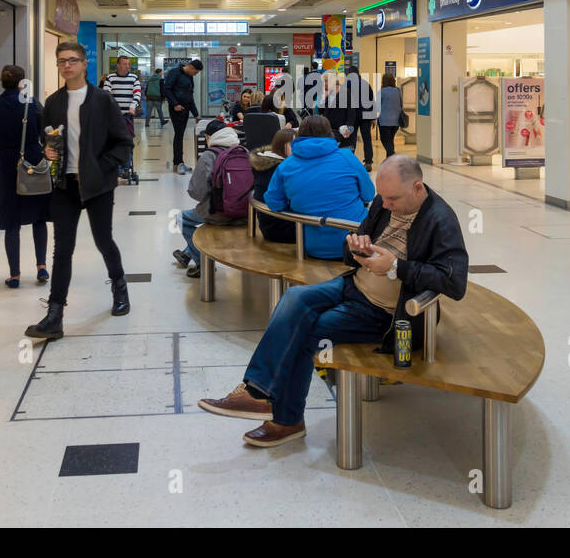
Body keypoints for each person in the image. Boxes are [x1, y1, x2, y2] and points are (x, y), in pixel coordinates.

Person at [197, 156, 468, 447]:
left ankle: (284, 418)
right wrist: (355, 248)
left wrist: (395, 268)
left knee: (310, 329)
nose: (386, 205)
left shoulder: (440, 219)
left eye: (393, 199)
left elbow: (454, 282)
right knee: (295, 298)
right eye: (383, 198)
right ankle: (258, 393)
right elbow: (352, 248)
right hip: (355, 285)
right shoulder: (381, 204)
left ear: (417, 188)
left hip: (388, 315)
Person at [25, 42, 135, 341]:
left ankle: (119, 286)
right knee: (62, 250)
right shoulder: (53, 102)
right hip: (64, 185)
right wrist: (48, 151)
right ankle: (55, 314)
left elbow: (123, 142)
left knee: (103, 240)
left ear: (85, 64)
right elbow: (47, 137)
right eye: (62, 61)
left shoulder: (102, 100)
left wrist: (104, 167)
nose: (67, 66)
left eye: (73, 60)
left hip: (98, 185)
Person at [262, 115, 373, 259]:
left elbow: (273, 203)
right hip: (355, 242)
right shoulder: (346, 156)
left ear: (299, 134)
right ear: (329, 133)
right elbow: (369, 194)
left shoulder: (286, 165)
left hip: (311, 246)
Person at [0, 65, 50, 288]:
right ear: (22, 83)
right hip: (33, 162)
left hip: (8, 165)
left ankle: (15, 275)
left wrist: (4, 145)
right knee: (39, 217)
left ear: (1, 82)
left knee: (12, 222)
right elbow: (46, 133)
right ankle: (41, 267)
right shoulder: (33, 104)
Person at [172, 119, 245, 278]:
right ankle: (186, 254)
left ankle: (202, 264)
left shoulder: (209, 155)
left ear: (208, 137)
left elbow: (196, 192)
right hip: (245, 213)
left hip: (220, 213)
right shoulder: (243, 151)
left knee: (180, 218)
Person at [249, 128, 297, 244]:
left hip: (269, 223)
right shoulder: (279, 169)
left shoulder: (266, 164)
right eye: (294, 145)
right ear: (283, 146)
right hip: (280, 227)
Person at [163, 58, 203, 174]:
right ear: (190, 67)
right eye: (195, 72)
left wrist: (195, 114)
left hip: (185, 109)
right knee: (179, 135)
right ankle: (178, 163)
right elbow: (167, 89)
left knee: (180, 135)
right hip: (177, 109)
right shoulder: (175, 72)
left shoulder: (189, 77)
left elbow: (190, 96)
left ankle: (179, 163)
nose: (195, 75)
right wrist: (175, 104)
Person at [343, 65, 376, 170]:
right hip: (365, 116)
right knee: (367, 139)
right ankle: (368, 162)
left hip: (352, 117)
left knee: (351, 140)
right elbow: (372, 101)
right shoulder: (366, 84)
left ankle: (350, 161)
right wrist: (373, 117)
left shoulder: (347, 85)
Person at [321, 71, 360, 149]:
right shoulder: (329, 94)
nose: (324, 84)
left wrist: (348, 128)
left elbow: (351, 113)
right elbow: (325, 113)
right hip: (331, 133)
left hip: (344, 133)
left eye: (326, 81)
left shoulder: (345, 93)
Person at [101, 56, 142, 120]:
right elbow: (106, 94)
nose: (127, 66)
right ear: (118, 65)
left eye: (128, 64)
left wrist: (133, 105)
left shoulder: (134, 78)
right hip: (114, 114)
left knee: (128, 130)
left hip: (128, 115)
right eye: (124, 64)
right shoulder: (110, 77)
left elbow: (137, 94)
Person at [377, 72, 402, 159]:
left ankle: (393, 156)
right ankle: (390, 161)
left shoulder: (381, 91)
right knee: (390, 141)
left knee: (385, 141)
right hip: (396, 122)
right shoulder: (398, 91)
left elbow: (377, 106)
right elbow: (401, 104)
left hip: (384, 121)